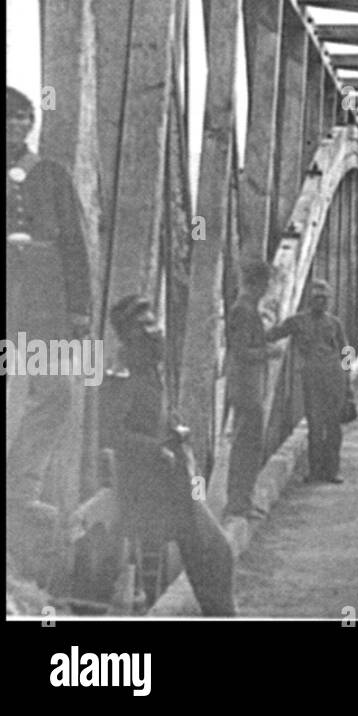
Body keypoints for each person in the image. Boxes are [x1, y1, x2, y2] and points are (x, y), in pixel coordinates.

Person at [102, 295, 236, 616]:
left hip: (172, 479)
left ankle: (222, 614)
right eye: (145, 325)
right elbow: (110, 434)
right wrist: (155, 449)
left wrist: (175, 428)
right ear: (129, 334)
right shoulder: (124, 376)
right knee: (213, 552)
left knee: (214, 553)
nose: (156, 331)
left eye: (154, 321)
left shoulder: (149, 370)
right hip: (148, 485)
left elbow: (153, 415)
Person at [6, 85, 91, 572]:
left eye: (23, 120)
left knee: (57, 391)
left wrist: (79, 311)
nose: (16, 128)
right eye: (8, 120)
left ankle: (22, 487)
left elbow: (76, 246)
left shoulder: (52, 175)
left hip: (46, 306)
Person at [223, 259, 290, 519]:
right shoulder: (243, 310)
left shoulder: (247, 308)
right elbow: (240, 351)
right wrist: (268, 352)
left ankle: (243, 500)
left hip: (248, 385)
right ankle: (238, 503)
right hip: (245, 387)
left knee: (249, 445)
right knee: (246, 446)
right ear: (259, 283)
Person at [278, 279, 351, 485]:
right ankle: (315, 471)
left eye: (325, 298)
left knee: (334, 427)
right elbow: (275, 333)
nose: (322, 302)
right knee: (316, 426)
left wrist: (348, 380)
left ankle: (333, 470)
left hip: (334, 377)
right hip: (312, 380)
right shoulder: (297, 321)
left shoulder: (335, 323)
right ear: (310, 300)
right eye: (318, 298)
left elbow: (346, 350)